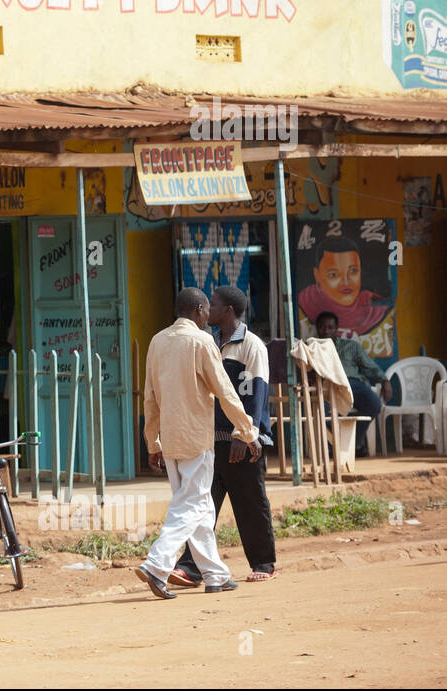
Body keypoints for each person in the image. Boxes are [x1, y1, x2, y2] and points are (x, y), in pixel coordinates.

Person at [135, 287, 260, 600]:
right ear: (200, 310)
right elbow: (225, 391)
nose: (210, 317)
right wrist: (247, 430)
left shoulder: (157, 341)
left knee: (200, 506)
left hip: (171, 440)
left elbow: (149, 397)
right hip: (196, 440)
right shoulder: (202, 341)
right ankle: (157, 563)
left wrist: (153, 442)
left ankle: (215, 574)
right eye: (208, 311)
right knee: (190, 506)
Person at [170, 286, 277, 587]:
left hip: (244, 440)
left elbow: (257, 395)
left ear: (228, 310)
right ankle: (190, 567)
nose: (208, 308)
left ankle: (263, 563)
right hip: (210, 440)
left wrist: (244, 435)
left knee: (250, 503)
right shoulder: (208, 343)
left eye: (213, 304)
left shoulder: (252, 346)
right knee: (203, 504)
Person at [315, 311, 391, 456]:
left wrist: (384, 380)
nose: (325, 331)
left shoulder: (351, 346)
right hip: (326, 388)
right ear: (317, 328)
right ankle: (336, 443)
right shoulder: (312, 348)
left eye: (330, 327)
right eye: (322, 327)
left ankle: (354, 443)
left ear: (336, 329)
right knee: (317, 409)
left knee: (374, 404)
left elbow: (369, 366)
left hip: (353, 385)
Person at [298, 236, 392, 338]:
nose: (346, 282)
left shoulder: (378, 311)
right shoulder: (303, 304)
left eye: (353, 271)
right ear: (317, 275)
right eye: (334, 275)